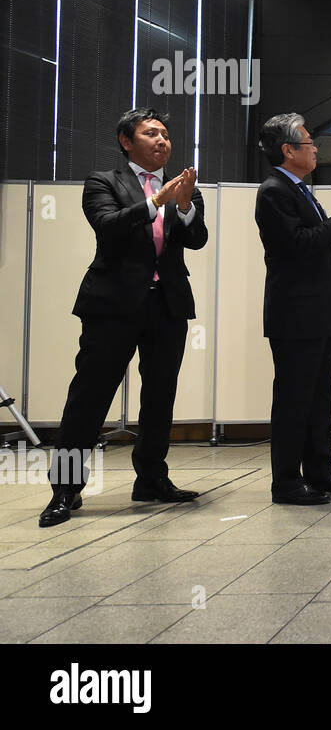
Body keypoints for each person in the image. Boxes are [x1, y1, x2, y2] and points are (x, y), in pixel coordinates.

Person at [39, 108, 207, 527]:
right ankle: (65, 489)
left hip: (166, 304)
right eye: (151, 133)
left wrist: (184, 206)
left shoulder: (184, 189)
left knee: (159, 396)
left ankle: (151, 478)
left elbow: (197, 239)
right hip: (112, 304)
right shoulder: (103, 182)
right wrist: (156, 201)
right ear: (126, 141)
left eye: (166, 134)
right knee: (89, 397)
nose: (162, 140)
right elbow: (108, 225)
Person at [255, 113, 331, 505]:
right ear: (288, 150)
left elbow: (313, 242)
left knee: (319, 396)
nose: (315, 149)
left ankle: (321, 470)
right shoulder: (274, 191)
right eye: (309, 143)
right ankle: (286, 482)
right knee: (294, 399)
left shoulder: (301, 190)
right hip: (296, 316)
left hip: (317, 313)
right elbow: (298, 245)